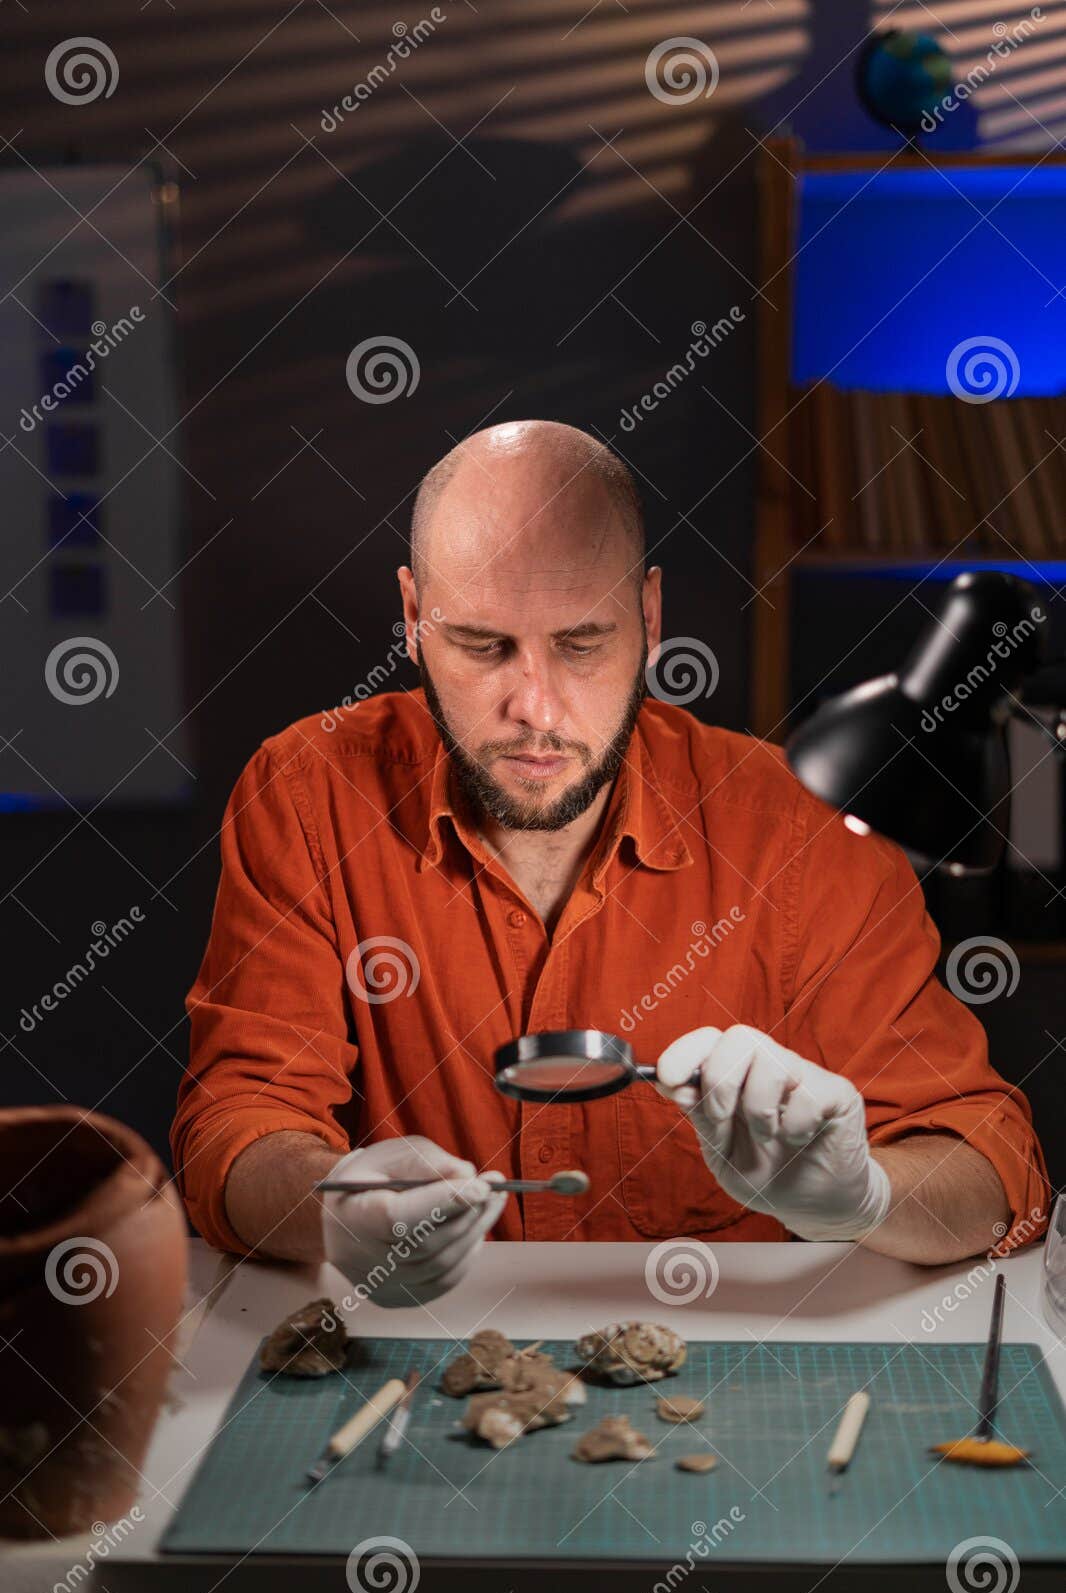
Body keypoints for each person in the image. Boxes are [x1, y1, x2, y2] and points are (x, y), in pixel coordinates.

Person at [171, 420, 1048, 1305]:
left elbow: (994, 1171)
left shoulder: (798, 830)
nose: (536, 707)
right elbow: (236, 1126)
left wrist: (864, 1195)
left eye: (583, 643)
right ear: (412, 617)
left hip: (718, 1398)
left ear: (651, 617)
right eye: (482, 645)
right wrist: (330, 1206)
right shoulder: (308, 794)